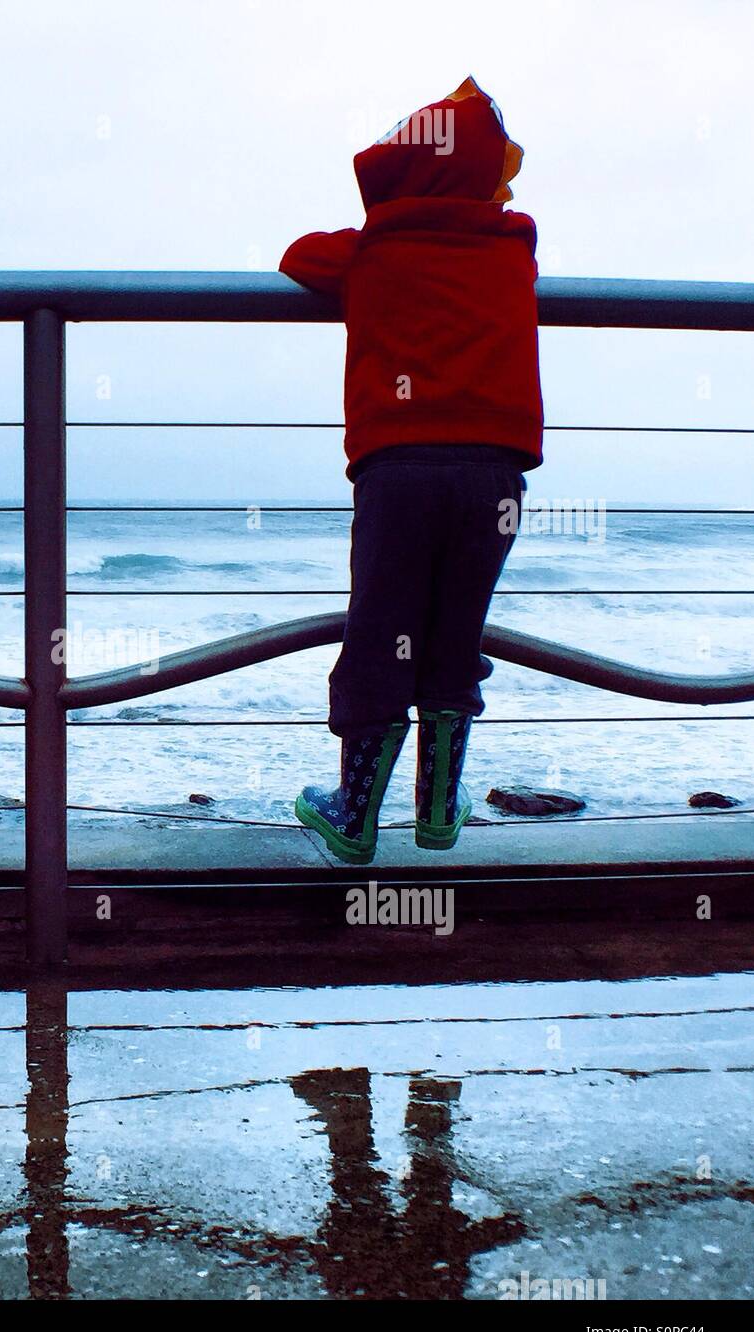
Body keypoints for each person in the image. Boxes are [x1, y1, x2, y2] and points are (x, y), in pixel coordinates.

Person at [281, 77, 542, 865]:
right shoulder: (513, 241)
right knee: (454, 636)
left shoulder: (371, 249)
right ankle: (437, 811)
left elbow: (298, 257)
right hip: (494, 475)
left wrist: (374, 229)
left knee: (381, 636)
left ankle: (355, 814)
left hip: (398, 474)